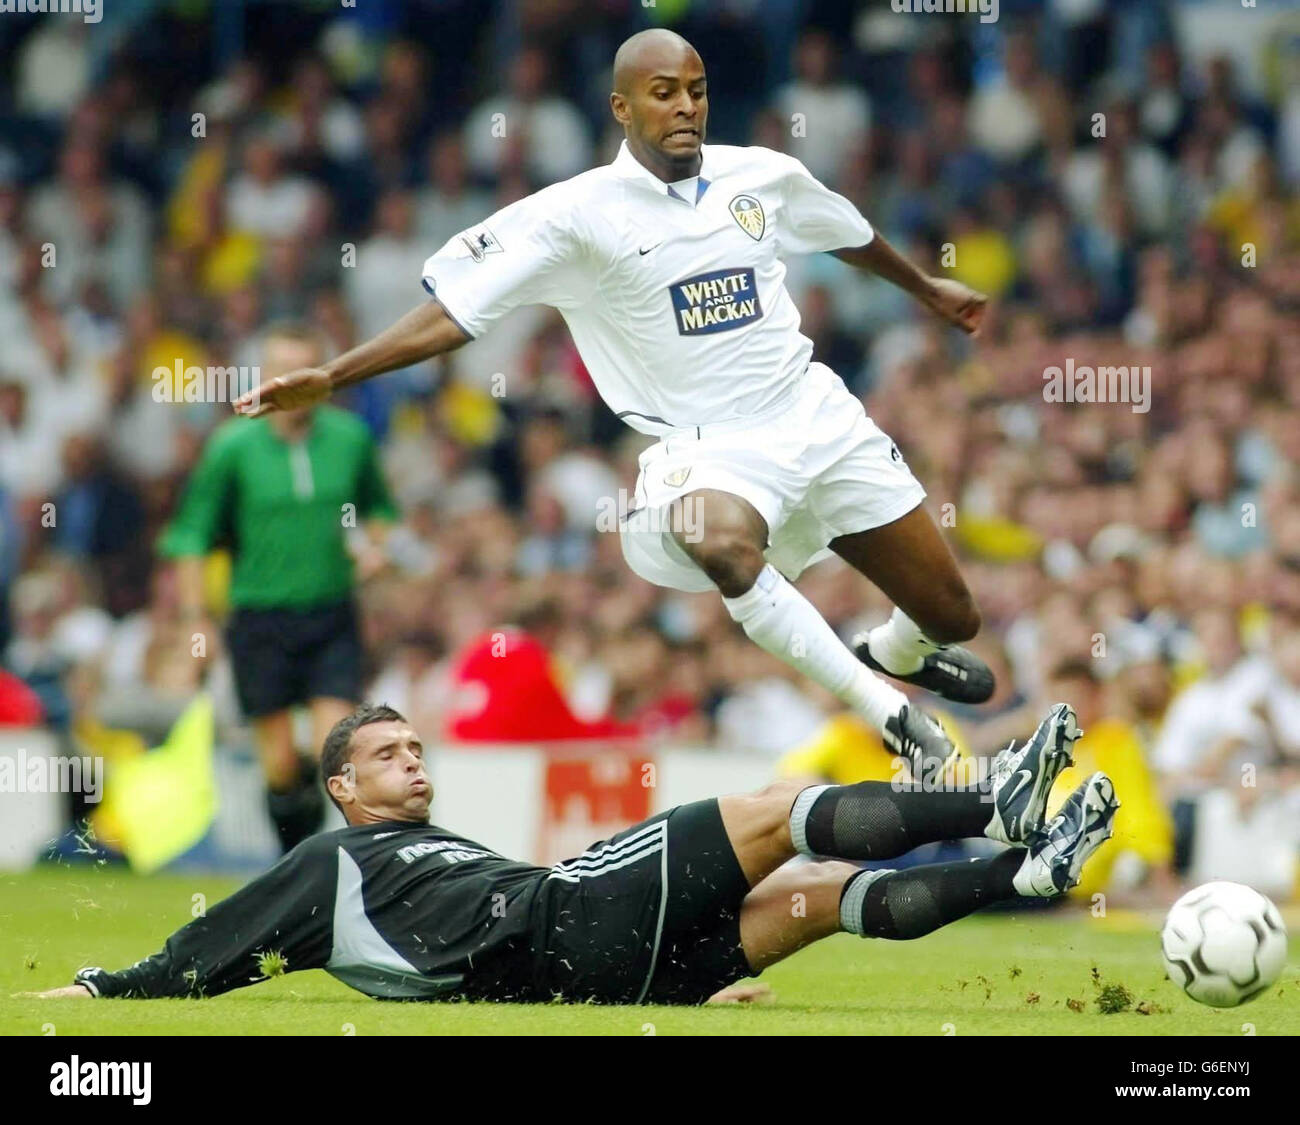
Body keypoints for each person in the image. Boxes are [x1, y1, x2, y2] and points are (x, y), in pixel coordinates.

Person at [233, 30, 995, 782]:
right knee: (723, 544)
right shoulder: (576, 215)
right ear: (621, 107)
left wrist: (929, 289)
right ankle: (892, 714)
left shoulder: (759, 176)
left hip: (814, 413)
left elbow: (846, 233)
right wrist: (334, 375)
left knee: (954, 615)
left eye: (696, 90)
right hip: (706, 448)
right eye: (664, 93)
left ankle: (892, 652)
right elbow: (457, 314)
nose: (686, 106)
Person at [29, 702, 1117, 1006]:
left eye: (415, 747)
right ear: (340, 791)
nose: (412, 763)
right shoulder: (331, 864)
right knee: (774, 807)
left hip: (595, 978)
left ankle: (1017, 874)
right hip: (570, 923)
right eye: (386, 756)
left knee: (819, 897)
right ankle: (994, 796)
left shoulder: (422, 853)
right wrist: (109, 986)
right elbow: (222, 943)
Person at [161, 323, 398, 852]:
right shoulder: (233, 447)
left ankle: (347, 874)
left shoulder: (349, 439)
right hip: (261, 619)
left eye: (303, 372)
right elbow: (191, 536)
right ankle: (293, 864)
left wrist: (377, 547)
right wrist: (196, 618)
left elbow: (379, 508)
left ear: (321, 379)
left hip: (331, 611)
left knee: (335, 753)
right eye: (280, 372)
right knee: (280, 768)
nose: (291, 385)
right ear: (264, 378)